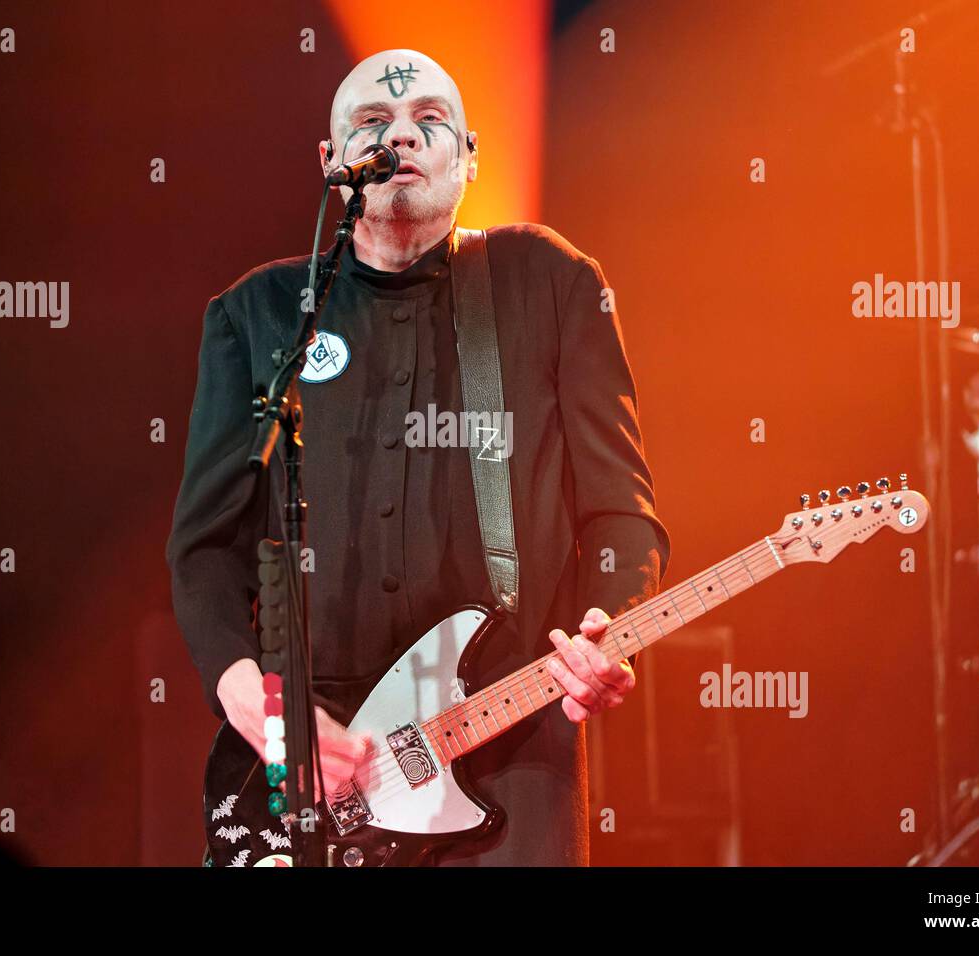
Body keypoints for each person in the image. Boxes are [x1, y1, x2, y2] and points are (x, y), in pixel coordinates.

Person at [167, 49, 669, 865]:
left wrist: (604, 631)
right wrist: (265, 718)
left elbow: (620, 509)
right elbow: (202, 548)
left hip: (506, 750)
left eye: (430, 120)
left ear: (468, 155)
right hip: (313, 765)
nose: (402, 135)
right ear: (333, 165)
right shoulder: (257, 314)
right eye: (373, 124)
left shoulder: (547, 279)